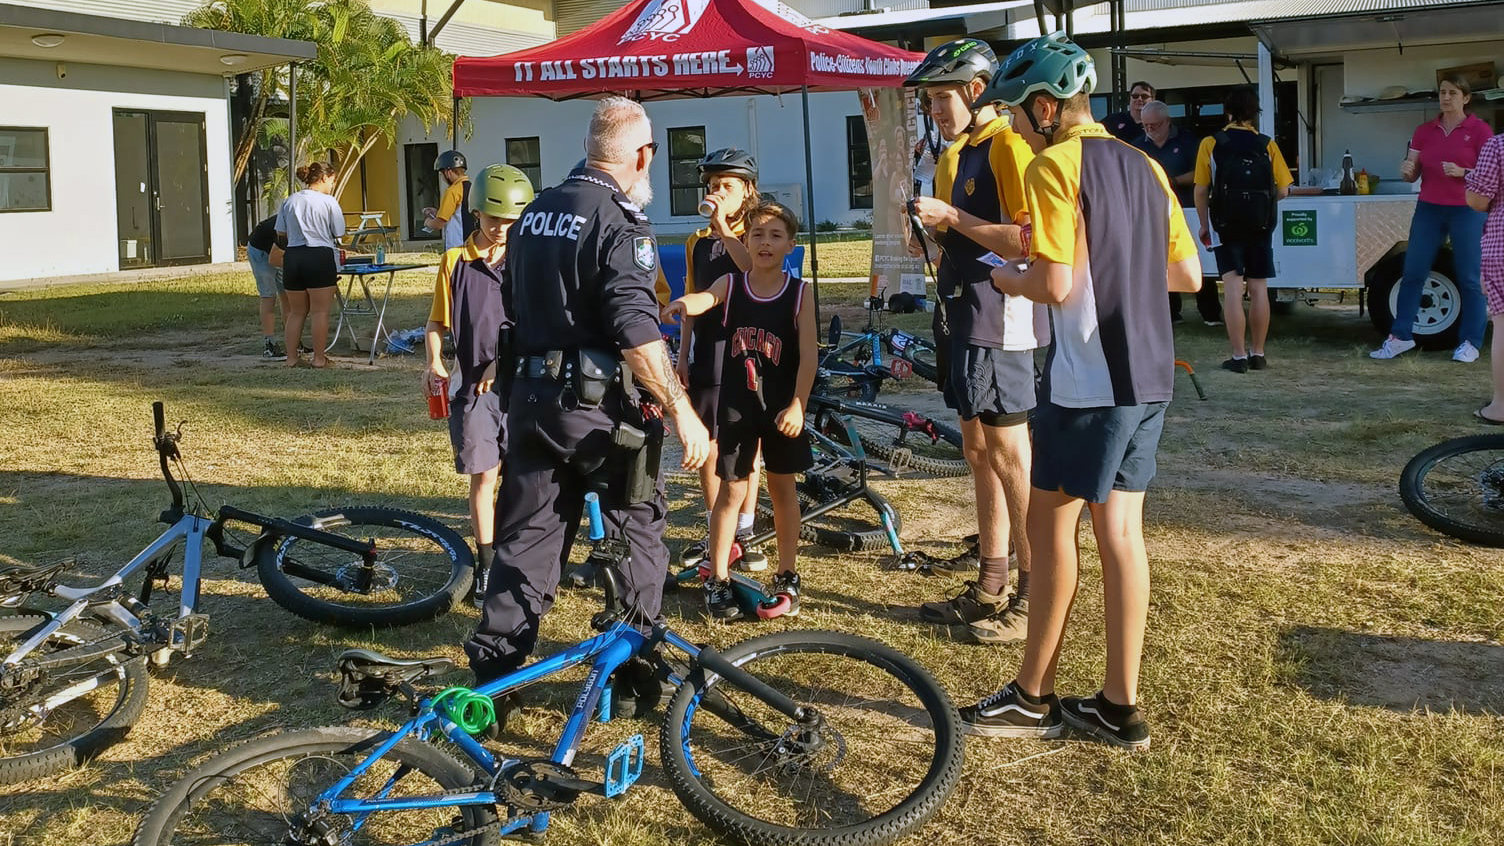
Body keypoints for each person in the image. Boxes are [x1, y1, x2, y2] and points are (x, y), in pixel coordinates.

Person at [967, 32, 1202, 750]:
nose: (1007, 122)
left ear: (1044, 107)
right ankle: (1118, 705)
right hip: (1151, 376)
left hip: (1087, 380)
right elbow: (1188, 276)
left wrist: (1003, 277)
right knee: (1123, 536)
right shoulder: (1145, 164)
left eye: (1011, 110)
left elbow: (1053, 282)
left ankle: (1033, 696)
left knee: (1049, 527)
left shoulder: (1053, 166)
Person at [464, 98, 710, 711]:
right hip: (602, 413)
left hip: (532, 401)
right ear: (642, 155)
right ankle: (632, 673)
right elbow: (635, 328)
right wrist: (681, 409)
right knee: (636, 529)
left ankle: (492, 681)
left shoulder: (538, 210)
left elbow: (513, 305)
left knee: (527, 539)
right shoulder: (619, 220)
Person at [903, 37, 1041, 645]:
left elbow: (1024, 241)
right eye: (929, 100)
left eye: (940, 97)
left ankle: (1036, 592)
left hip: (1000, 314)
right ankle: (991, 579)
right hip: (958, 308)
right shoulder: (956, 152)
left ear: (977, 90)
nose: (933, 109)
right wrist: (929, 238)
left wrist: (954, 221)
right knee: (977, 448)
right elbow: (962, 234)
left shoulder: (1008, 147)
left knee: (1012, 455)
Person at [662, 201, 815, 618]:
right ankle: (719, 578)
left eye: (775, 236)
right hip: (737, 409)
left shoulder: (800, 293)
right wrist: (683, 305)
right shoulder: (733, 284)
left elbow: (808, 357)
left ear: (790, 245)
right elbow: (705, 299)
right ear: (745, 240)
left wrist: (799, 405)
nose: (765, 243)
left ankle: (788, 574)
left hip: (782, 410)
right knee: (731, 491)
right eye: (758, 235)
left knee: (783, 491)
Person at [424, 164, 535, 606]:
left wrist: (501, 364)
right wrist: (434, 360)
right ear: (475, 214)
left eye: (511, 222)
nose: (501, 230)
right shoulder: (455, 262)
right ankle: (487, 563)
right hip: (474, 390)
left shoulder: (527, 262)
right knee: (484, 475)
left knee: (523, 475)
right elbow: (436, 322)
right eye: (493, 221)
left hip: (523, 385)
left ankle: (517, 556)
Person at [1370, 75, 1492, 363]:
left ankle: (1471, 342)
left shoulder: (1480, 131)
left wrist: (1463, 173)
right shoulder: (1424, 131)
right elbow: (1412, 170)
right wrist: (1407, 170)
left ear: (1465, 98)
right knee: (1412, 273)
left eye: (1452, 92)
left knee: (1470, 277)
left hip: (1467, 209)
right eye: (1442, 92)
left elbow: (1492, 176)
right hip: (1429, 208)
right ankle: (1400, 337)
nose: (1446, 97)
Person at [676, 148, 758, 568]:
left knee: (748, 444)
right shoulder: (697, 241)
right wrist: (684, 353)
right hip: (710, 348)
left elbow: (752, 273)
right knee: (709, 442)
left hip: (750, 347)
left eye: (727, 186)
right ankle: (716, 527)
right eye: (712, 186)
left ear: (747, 191)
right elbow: (692, 297)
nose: (717, 193)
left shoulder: (755, 232)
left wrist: (726, 228)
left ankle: (747, 528)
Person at [1193, 86, 1293, 373]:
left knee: (1233, 288)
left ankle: (1237, 356)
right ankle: (1258, 353)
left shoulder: (1212, 143)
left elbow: (1201, 190)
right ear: (1255, 113)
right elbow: (1284, 189)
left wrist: (1204, 224)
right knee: (1259, 287)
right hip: (1261, 225)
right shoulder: (1267, 144)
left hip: (1226, 225)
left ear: (1227, 110)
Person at [1133, 100, 1223, 326]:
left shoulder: (1189, 141)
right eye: (1145, 126)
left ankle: (1210, 313)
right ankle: (1171, 313)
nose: (1150, 130)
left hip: (1189, 209)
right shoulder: (1136, 146)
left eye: (1154, 125)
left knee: (1198, 260)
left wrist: (1171, 181)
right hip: (1152, 211)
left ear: (1167, 121)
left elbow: (1201, 174)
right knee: (1161, 261)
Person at [275, 161, 346, 368]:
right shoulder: (328, 201)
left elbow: (280, 232)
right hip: (318, 255)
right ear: (323, 178)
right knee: (319, 311)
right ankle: (318, 358)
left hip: (293, 256)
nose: (332, 185)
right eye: (332, 181)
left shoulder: (290, 201)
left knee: (297, 312)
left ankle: (291, 358)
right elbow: (339, 232)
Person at [1466, 134, 1504, 422]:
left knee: (1503, 325)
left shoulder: (1497, 145)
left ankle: (1501, 406)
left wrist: (1470, 179)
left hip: (1501, 247)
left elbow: (1478, 201)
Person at [245, 214, 288, 359]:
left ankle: (292, 341)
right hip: (261, 251)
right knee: (269, 295)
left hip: (279, 252)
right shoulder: (287, 225)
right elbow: (274, 259)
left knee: (288, 295)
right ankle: (270, 344)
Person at [423, 150, 476, 253]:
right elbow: (459, 213)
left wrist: (427, 222)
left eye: (441, 174)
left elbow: (439, 224)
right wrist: (437, 212)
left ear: (448, 172)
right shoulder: (471, 187)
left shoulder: (452, 191)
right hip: (472, 245)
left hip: (456, 247)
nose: (442, 178)